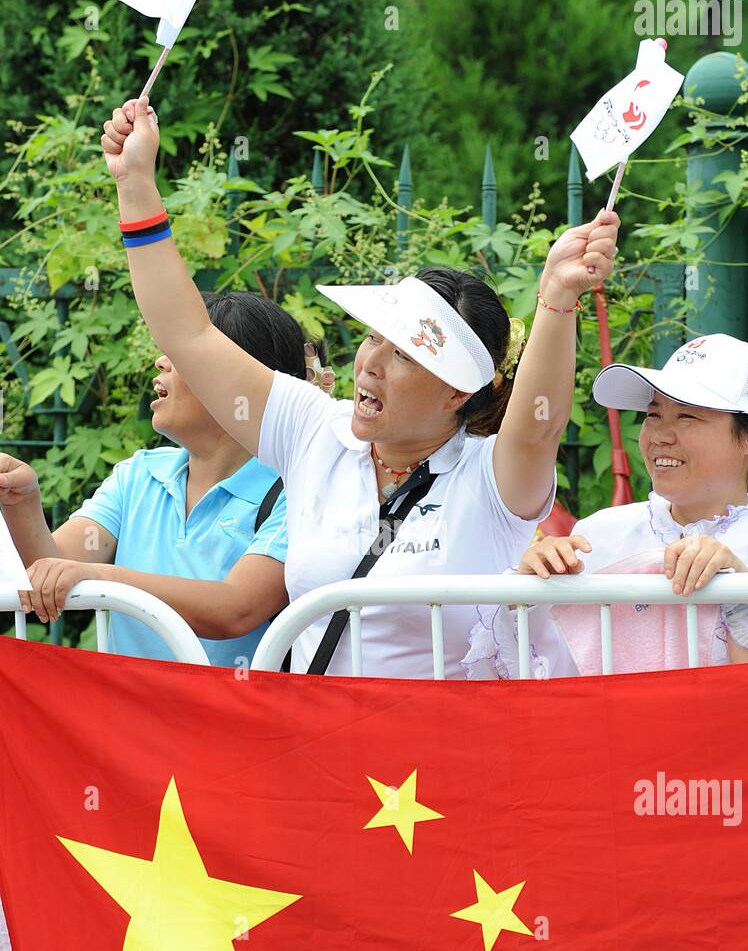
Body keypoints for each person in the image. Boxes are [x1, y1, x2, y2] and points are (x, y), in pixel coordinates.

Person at [96, 95, 620, 678]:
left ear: (456, 394)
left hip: (445, 757)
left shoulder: (493, 480)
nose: (370, 363)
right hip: (321, 752)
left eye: (404, 355)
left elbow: (540, 422)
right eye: (373, 338)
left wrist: (557, 297)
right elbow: (189, 335)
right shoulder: (314, 429)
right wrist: (135, 183)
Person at [0, 292, 325, 666]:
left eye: (182, 353)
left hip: (232, 721)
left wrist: (101, 575)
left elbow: (235, 608)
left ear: (242, 380)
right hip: (127, 717)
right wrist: (21, 502)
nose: (160, 361)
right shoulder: (139, 474)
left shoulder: (294, 489)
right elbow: (53, 567)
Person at [462, 334, 748, 678]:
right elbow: (545, 682)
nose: (660, 435)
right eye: (653, 415)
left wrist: (739, 595)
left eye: (687, 417)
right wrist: (528, 594)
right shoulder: (598, 536)